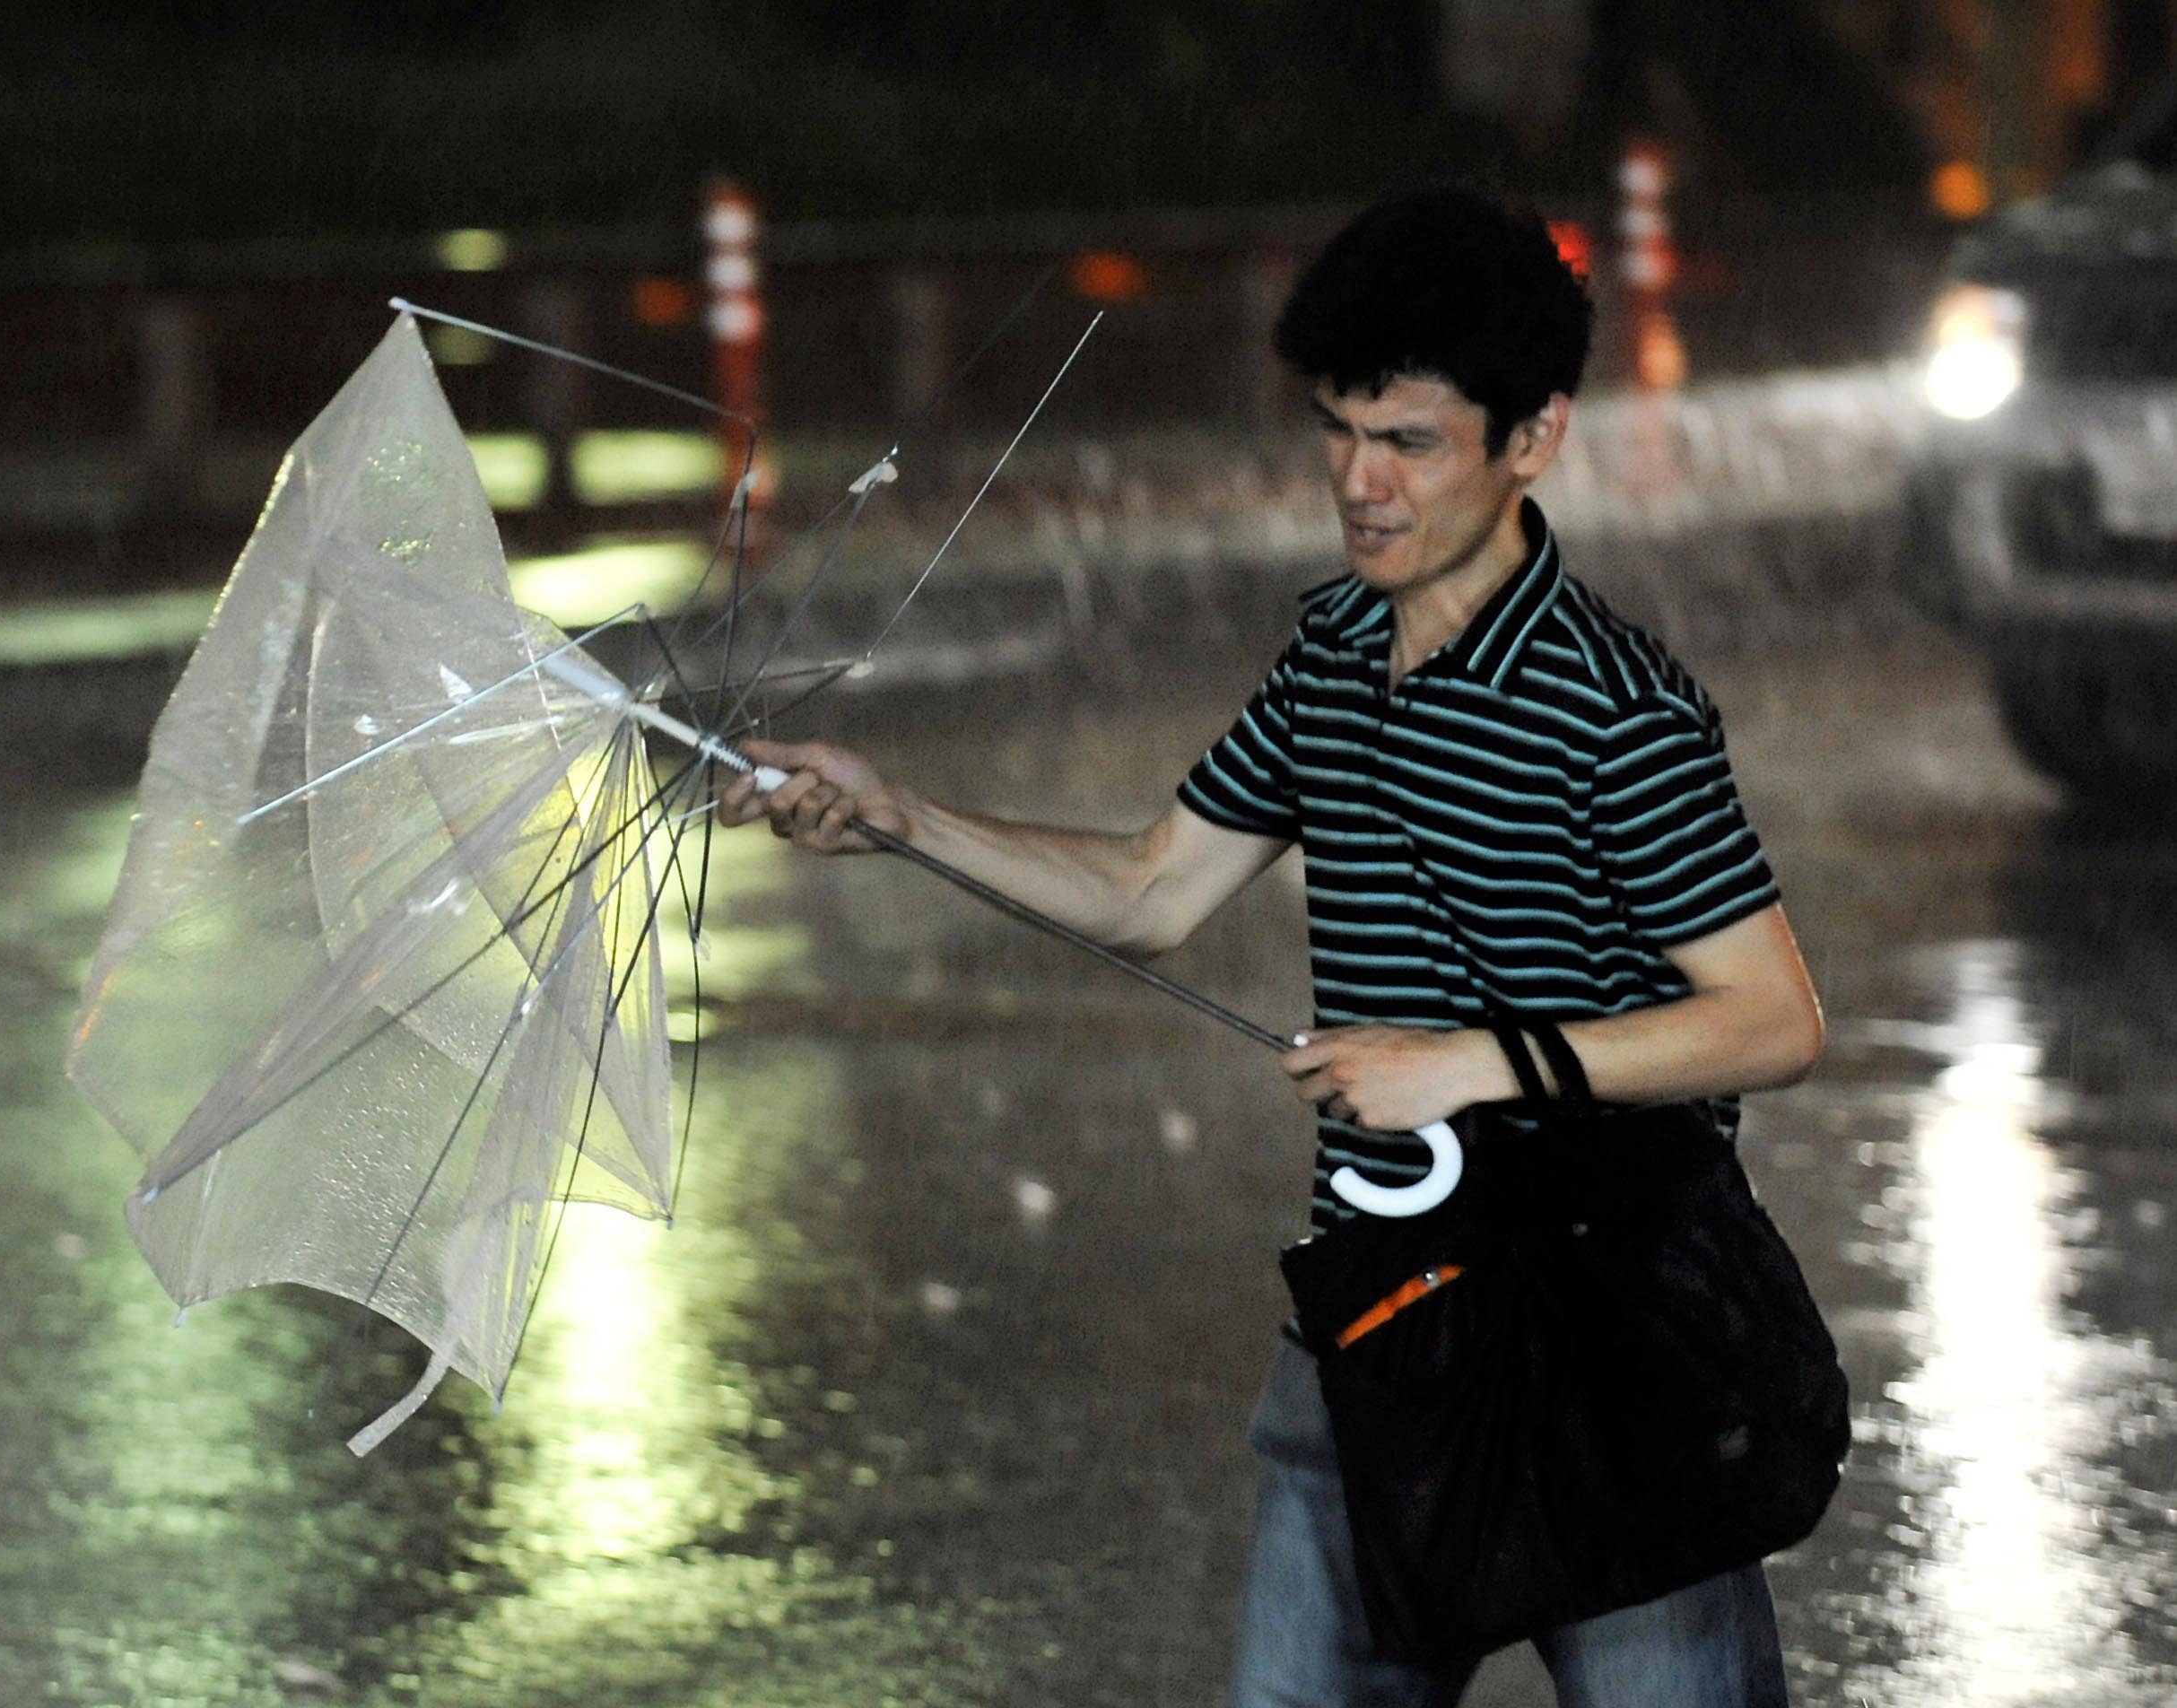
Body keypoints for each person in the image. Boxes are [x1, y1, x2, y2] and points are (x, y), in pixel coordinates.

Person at [718, 184, 1824, 1708]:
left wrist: (1467, 1067)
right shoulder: (1332, 656)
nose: (1360, 483)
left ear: (1534, 439)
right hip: (1374, 1324)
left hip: (1606, 1333)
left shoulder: (1615, 710)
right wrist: (904, 815)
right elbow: (1156, 887)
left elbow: (1772, 1017)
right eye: (1337, 430)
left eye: (1410, 442)